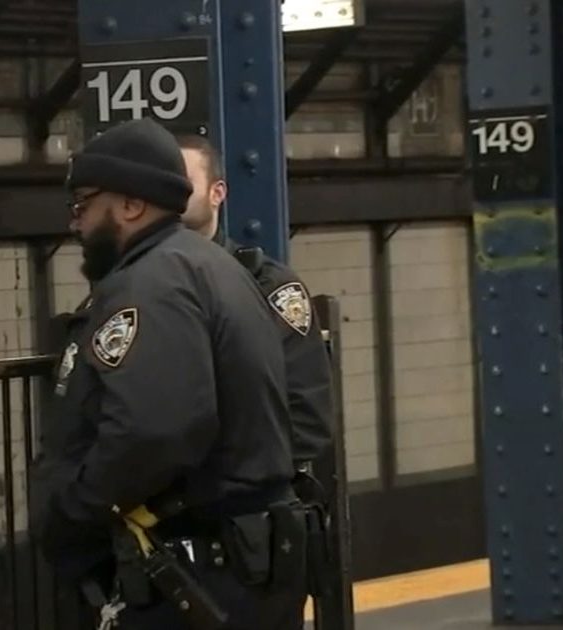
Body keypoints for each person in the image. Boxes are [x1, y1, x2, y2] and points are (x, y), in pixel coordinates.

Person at [28, 118, 308, 630]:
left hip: (199, 568)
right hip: (246, 559)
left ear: (132, 206)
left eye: (86, 204)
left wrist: (74, 510)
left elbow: (155, 429)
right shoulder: (213, 268)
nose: (77, 222)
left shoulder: (150, 283)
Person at [175, 133, 335, 470]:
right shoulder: (131, 288)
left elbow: (307, 421)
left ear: (217, 193)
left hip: (236, 500)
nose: (170, 196)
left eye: (183, 183)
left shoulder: (268, 287)